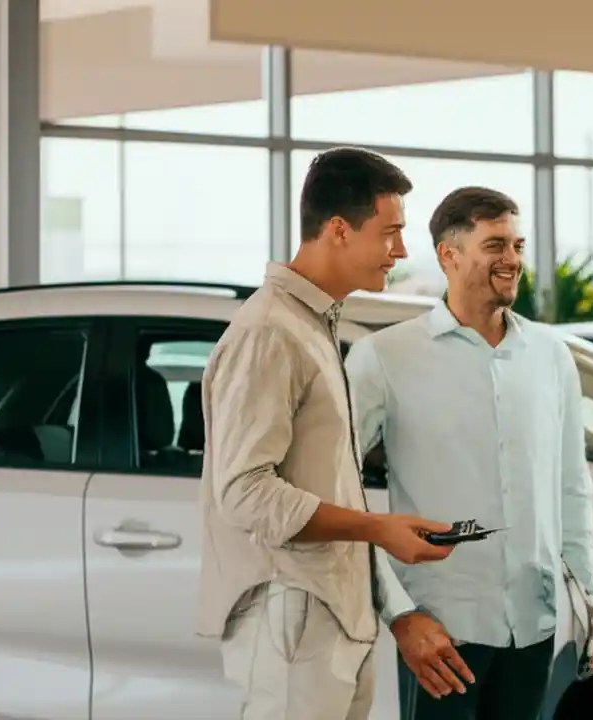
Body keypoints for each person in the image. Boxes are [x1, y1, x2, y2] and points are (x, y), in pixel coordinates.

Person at [197, 147, 464, 720]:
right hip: (292, 615)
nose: (400, 251)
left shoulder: (312, 326)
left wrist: (394, 607)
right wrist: (378, 528)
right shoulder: (270, 333)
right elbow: (244, 491)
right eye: (389, 232)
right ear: (339, 230)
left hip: (329, 615)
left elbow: (326, 485)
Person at [346, 186, 593, 720]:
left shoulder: (550, 356)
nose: (511, 260)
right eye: (495, 245)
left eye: (517, 244)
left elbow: (571, 486)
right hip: (440, 631)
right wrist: (398, 614)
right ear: (449, 254)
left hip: (534, 623)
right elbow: (336, 492)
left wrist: (589, 603)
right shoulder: (385, 357)